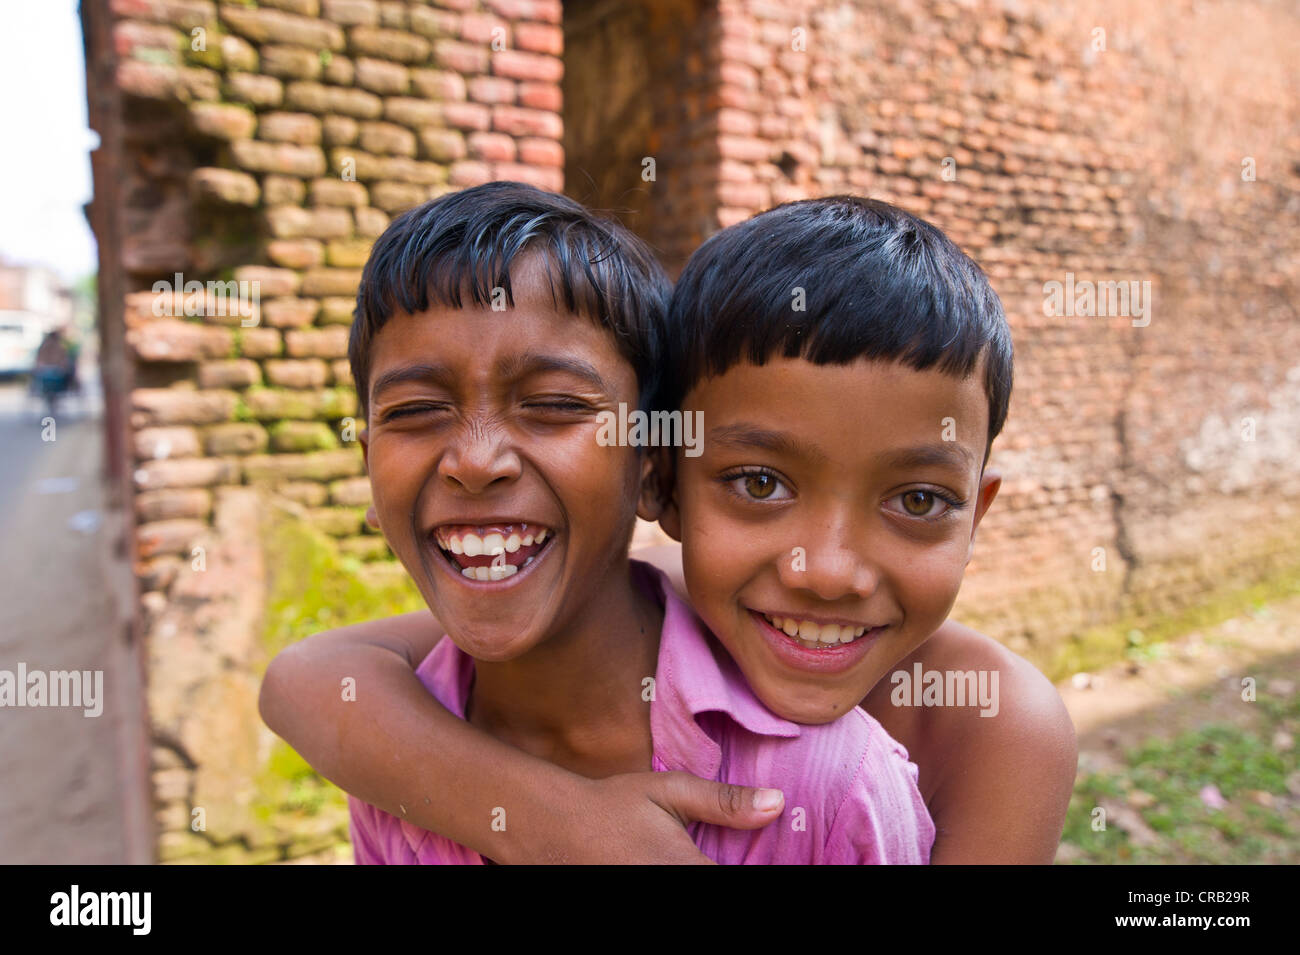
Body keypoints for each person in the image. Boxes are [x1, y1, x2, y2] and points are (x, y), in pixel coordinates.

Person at [260, 192, 1077, 864]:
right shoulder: (645, 590)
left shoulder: (993, 724)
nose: (826, 570)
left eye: (921, 500)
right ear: (669, 485)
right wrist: (562, 824)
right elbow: (301, 678)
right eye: (759, 483)